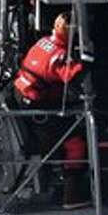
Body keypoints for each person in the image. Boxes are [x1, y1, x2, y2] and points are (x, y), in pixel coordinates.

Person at [12, 14, 87, 202]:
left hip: (27, 105)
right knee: (76, 145)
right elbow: (72, 76)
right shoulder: (59, 56)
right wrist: (88, 60)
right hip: (41, 115)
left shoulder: (43, 42)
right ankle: (72, 196)